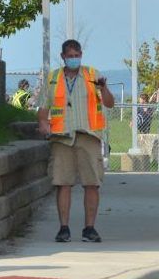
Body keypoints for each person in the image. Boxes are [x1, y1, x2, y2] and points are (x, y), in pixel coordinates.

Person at [37, 39, 115, 243]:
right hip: (62, 137)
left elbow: (109, 103)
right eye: (70, 56)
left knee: (92, 183)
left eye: (77, 55)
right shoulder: (53, 78)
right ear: (63, 57)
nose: (74, 59)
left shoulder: (93, 75)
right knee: (63, 183)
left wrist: (104, 88)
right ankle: (64, 228)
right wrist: (43, 123)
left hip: (88, 136)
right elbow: (43, 107)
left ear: (81, 55)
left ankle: (90, 228)